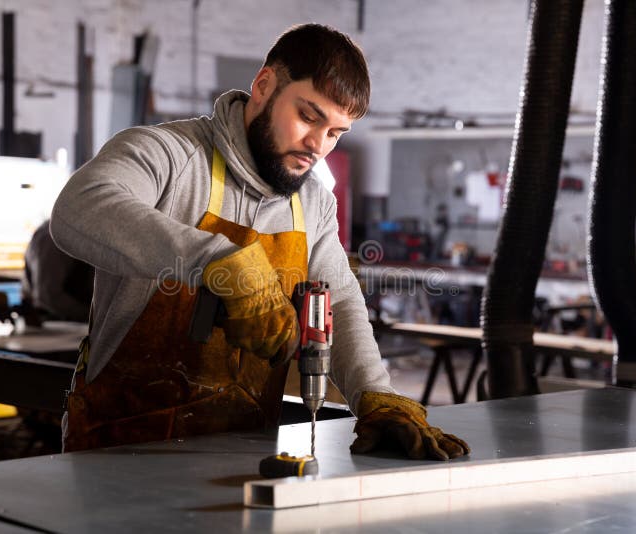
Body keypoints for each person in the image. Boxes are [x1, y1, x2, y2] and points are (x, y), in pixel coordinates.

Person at [50, 23, 469, 460]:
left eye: (335, 133)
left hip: (243, 458)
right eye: (308, 116)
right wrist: (217, 259)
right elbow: (78, 208)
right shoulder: (168, 155)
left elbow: (338, 302)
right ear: (265, 85)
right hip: (117, 453)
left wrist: (374, 396)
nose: (317, 146)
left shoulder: (313, 202)